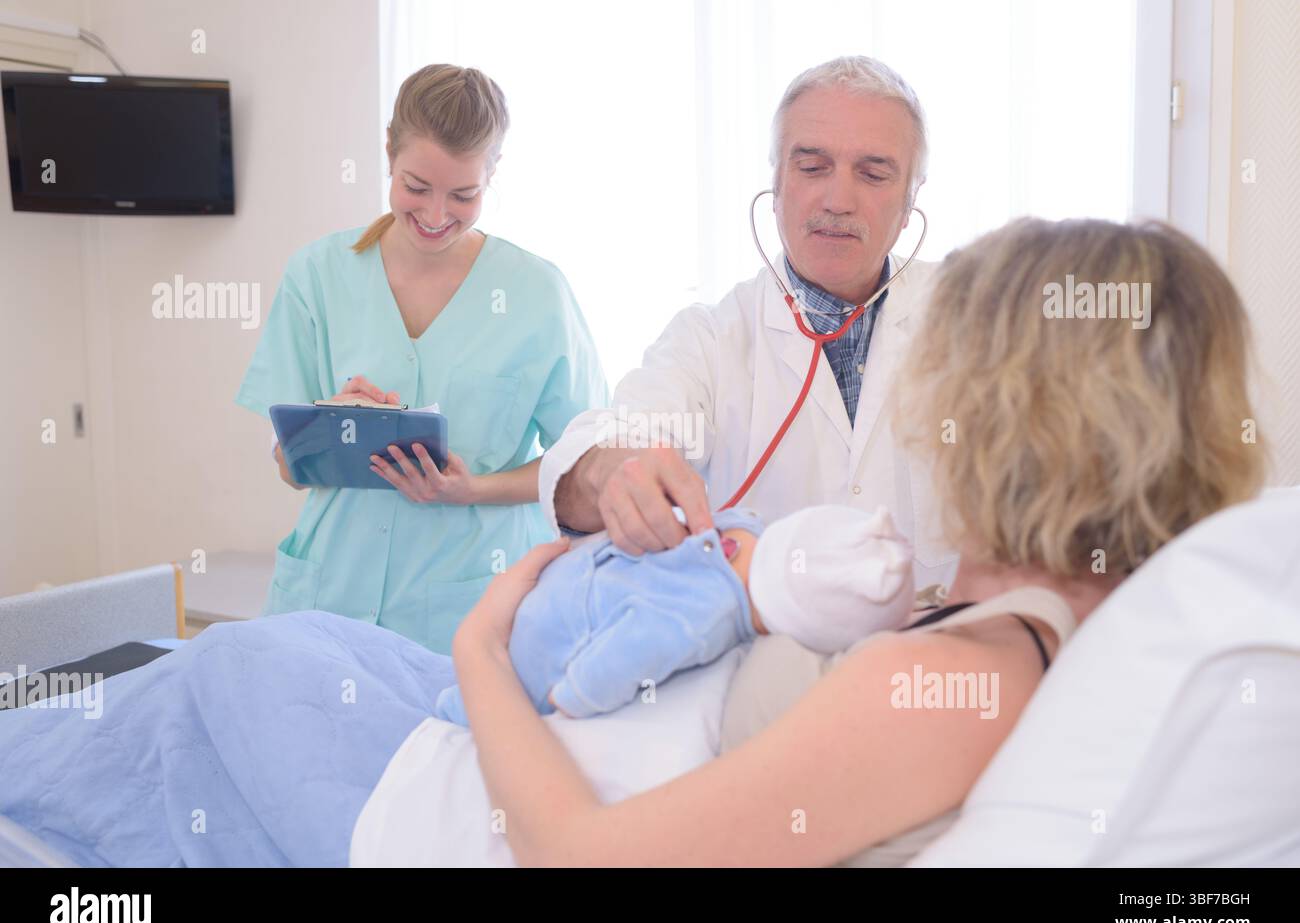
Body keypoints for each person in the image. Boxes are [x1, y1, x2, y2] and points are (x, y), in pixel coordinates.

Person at [447, 216, 1268, 866]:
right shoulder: (1031, 626)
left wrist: (478, 649)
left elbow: (580, 855)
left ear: (1000, 413)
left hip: (476, 768)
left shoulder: (954, 681)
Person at [540, 56, 957, 593]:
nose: (838, 200)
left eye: (873, 174)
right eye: (812, 167)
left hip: (939, 636)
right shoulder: (710, 340)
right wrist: (611, 472)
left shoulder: (976, 320)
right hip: (767, 642)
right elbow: (618, 437)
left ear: (911, 199)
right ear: (776, 184)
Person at [236, 65, 608, 652]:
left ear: (492, 173)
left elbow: (584, 464)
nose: (436, 216)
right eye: (416, 187)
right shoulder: (317, 275)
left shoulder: (537, 293)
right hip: (327, 598)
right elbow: (291, 468)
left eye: (464, 195)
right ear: (389, 152)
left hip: (468, 607)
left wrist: (473, 489)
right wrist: (333, 423)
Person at [431, 503, 914, 725]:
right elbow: (622, 659)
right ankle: (456, 711)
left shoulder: (740, 524)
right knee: (472, 709)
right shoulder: (703, 619)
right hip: (546, 651)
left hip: (557, 582)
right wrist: (574, 696)